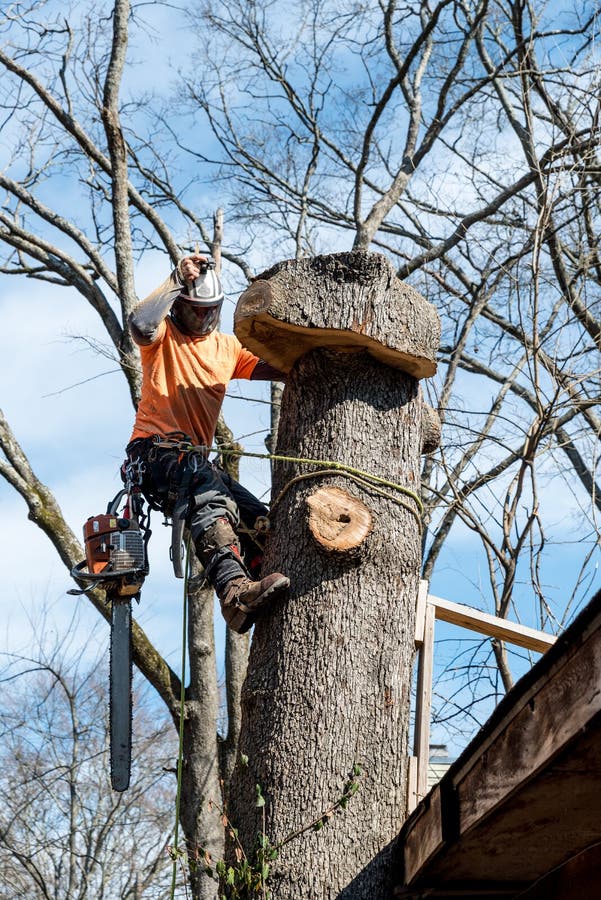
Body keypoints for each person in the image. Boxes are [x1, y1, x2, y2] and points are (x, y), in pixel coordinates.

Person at [123, 253, 289, 634]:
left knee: (259, 518)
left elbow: (279, 364)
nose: (202, 321)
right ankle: (234, 592)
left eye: (209, 313)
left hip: (195, 464)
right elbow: (141, 323)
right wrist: (176, 280)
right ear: (180, 308)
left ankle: (262, 573)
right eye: (195, 313)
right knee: (208, 490)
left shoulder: (225, 349)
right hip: (154, 453)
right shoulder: (163, 337)